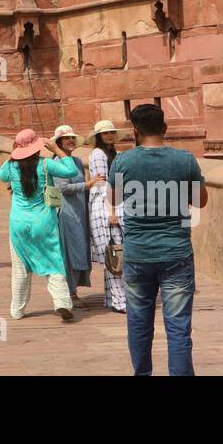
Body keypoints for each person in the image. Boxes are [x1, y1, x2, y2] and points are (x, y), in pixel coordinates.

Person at [108, 103, 206, 376]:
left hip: (138, 252)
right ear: (165, 128)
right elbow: (200, 201)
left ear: (135, 131)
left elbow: (114, 200)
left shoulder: (123, 162)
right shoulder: (185, 160)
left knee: (138, 323)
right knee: (178, 325)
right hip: (175, 251)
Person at [0, 129, 79, 323]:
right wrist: (57, 150)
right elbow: (71, 171)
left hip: (18, 223)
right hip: (44, 222)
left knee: (20, 268)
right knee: (53, 262)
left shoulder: (11, 167)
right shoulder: (45, 165)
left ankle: (17, 310)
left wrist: (13, 154)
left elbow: (1, 175)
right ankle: (62, 303)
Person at [48, 124, 97, 305]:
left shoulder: (76, 161)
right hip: (65, 213)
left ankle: (73, 289)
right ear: (58, 142)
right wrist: (87, 185)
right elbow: (63, 187)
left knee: (79, 250)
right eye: (66, 138)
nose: (70, 141)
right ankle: (69, 293)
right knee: (67, 253)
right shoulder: (56, 162)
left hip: (79, 212)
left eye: (72, 138)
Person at [87, 120, 126, 313]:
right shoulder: (97, 154)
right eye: (105, 133)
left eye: (111, 133)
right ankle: (120, 301)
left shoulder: (114, 155)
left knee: (113, 254)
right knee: (115, 253)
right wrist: (111, 212)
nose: (109, 136)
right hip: (105, 208)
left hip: (113, 205)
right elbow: (102, 185)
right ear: (99, 136)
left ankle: (112, 299)